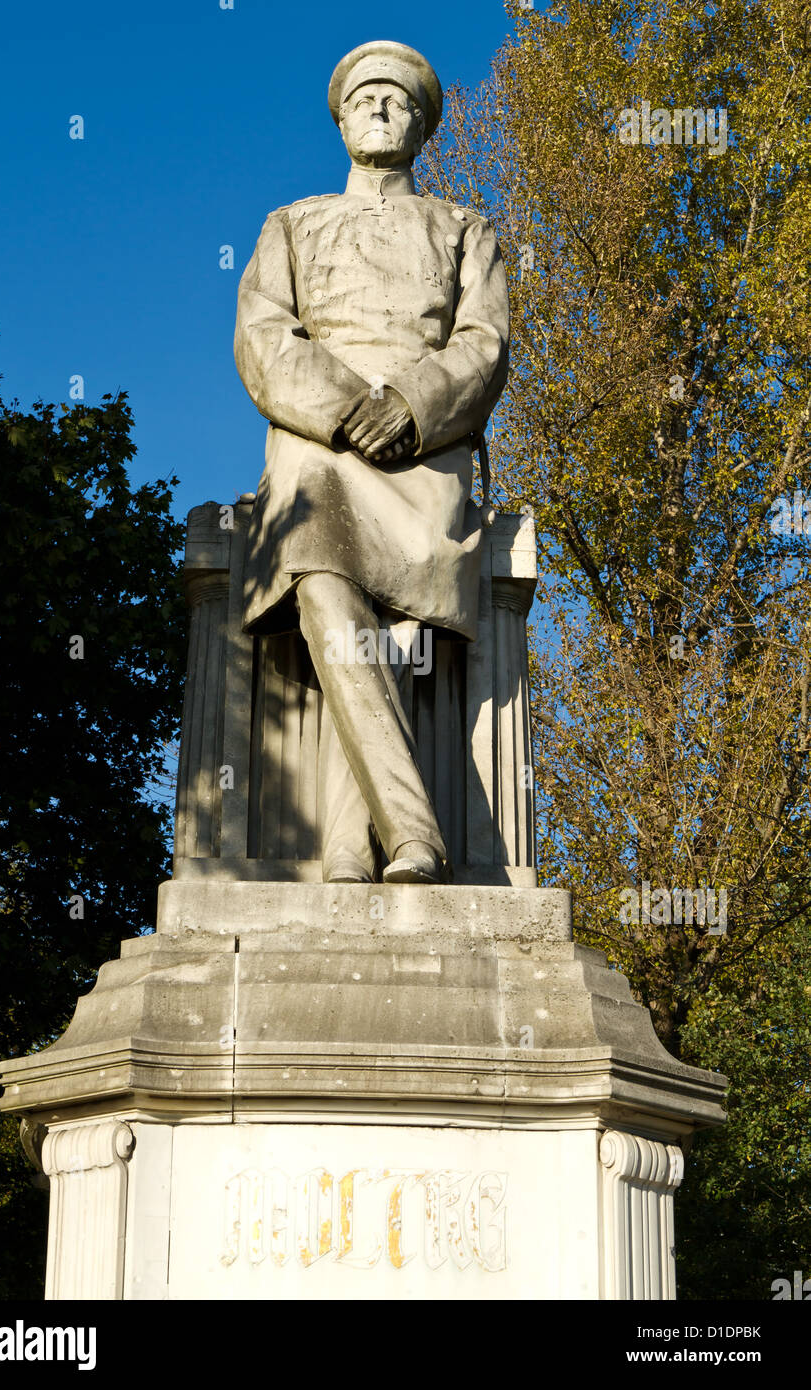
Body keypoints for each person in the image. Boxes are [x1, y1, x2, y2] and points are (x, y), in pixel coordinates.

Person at [234, 40, 510, 884]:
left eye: (398, 100)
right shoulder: (292, 222)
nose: (381, 110)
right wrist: (351, 408)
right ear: (343, 117)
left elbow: (484, 342)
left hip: (426, 456)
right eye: (366, 98)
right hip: (321, 447)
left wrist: (413, 407)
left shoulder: (464, 228)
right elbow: (264, 337)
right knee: (321, 579)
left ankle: (354, 850)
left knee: (392, 631)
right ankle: (415, 831)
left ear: (423, 125)